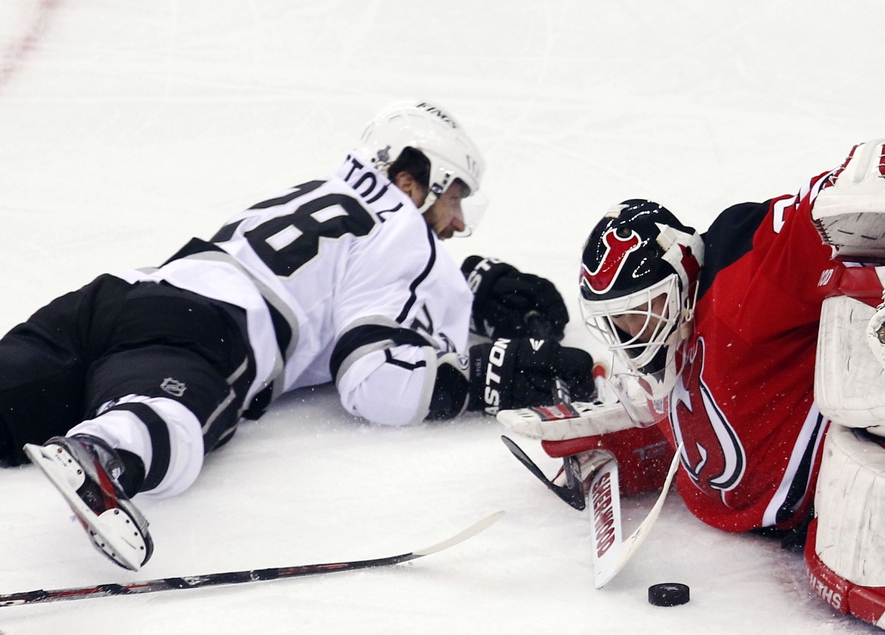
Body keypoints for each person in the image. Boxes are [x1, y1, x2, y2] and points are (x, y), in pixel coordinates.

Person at [500, 139, 885, 635]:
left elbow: (819, 213)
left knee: (848, 393)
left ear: (682, 274)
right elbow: (703, 452)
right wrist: (614, 450)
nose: (631, 336)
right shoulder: (673, 366)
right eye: (616, 323)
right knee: (829, 529)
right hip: (841, 490)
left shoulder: (739, 281)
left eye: (640, 311)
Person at [0, 100, 594, 572]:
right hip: (207, 332)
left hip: (115, 298)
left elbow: (340, 282)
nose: (459, 222)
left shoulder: (328, 190)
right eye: (456, 196)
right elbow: (376, 381)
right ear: (413, 180)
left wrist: (469, 291)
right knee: (167, 417)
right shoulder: (405, 233)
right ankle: (104, 455)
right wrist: (489, 374)